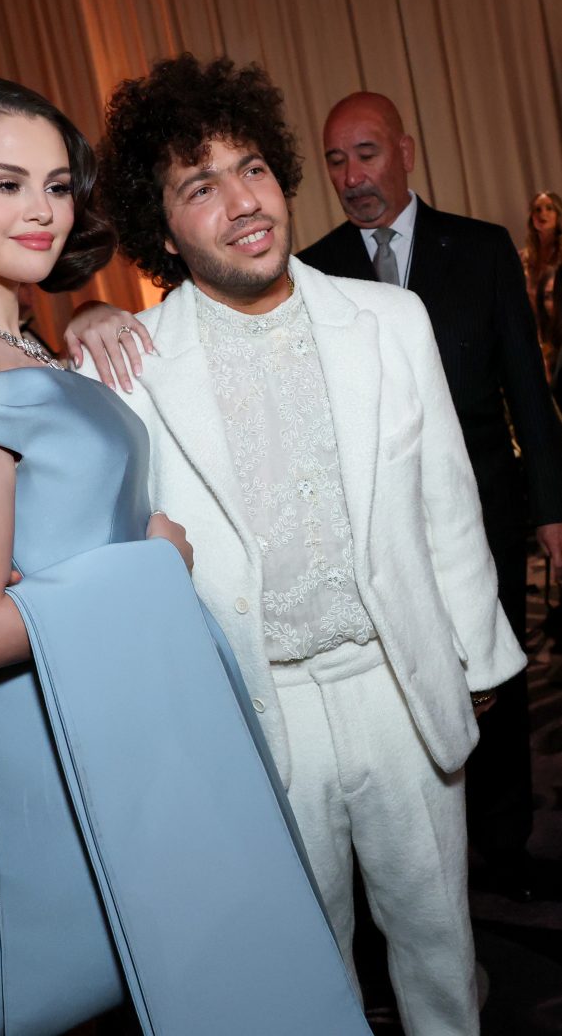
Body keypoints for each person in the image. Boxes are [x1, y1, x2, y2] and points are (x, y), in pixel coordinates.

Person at [0, 77, 369, 1036]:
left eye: (57, 185)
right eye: (5, 185)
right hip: (77, 732)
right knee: (201, 979)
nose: (42, 212)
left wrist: (86, 318)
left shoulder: (12, 336)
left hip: (130, 699)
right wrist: (154, 563)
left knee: (226, 971)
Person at [65, 54, 526, 1036]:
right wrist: (82, 316)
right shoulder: (133, 368)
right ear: (162, 227)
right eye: (201, 186)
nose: (243, 203)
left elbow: (448, 496)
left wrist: (478, 654)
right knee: (300, 965)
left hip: (395, 681)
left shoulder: (391, 321)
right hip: (255, 712)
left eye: (252, 169)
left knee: (441, 941)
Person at [295, 93, 562, 901]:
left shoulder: (479, 250)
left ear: (405, 151)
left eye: (366, 153)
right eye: (337, 160)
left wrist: (552, 512)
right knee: (408, 680)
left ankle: (506, 844)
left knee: (498, 673)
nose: (352, 176)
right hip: (372, 527)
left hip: (483, 505)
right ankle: (423, 858)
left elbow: (527, 385)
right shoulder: (312, 270)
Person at [520, 190, 562, 317]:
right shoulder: (522, 257)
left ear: (558, 214)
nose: (542, 213)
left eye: (549, 208)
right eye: (537, 209)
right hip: (534, 327)